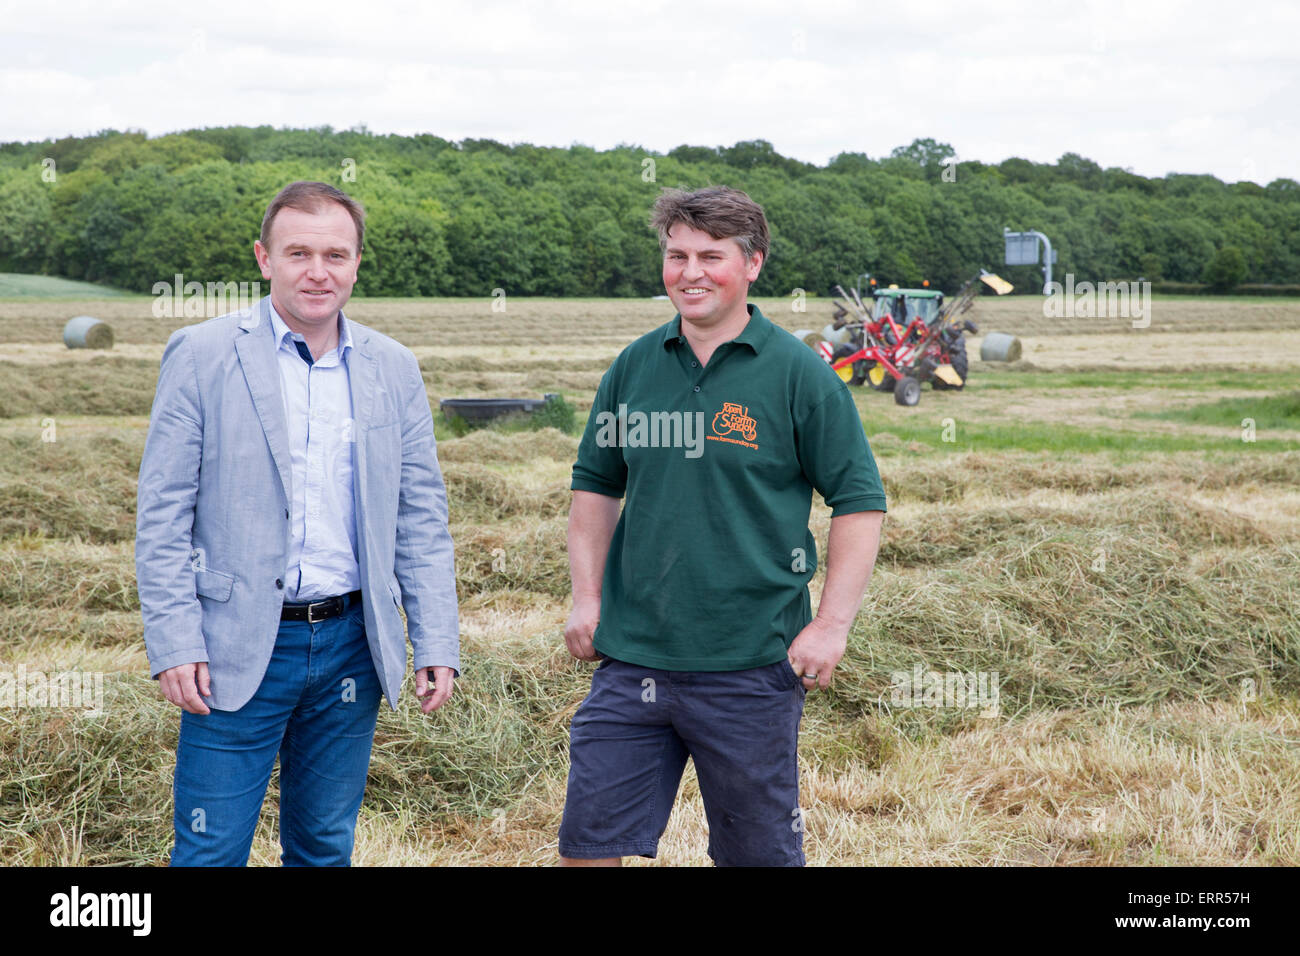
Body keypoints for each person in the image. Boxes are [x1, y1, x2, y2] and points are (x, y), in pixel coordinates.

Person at [559, 186, 887, 866]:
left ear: (754, 264)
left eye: (711, 255)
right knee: (588, 847)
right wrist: (586, 597)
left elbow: (859, 500)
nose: (690, 272)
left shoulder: (799, 375)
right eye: (676, 255)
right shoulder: (635, 367)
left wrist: (831, 625)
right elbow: (595, 485)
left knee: (757, 858)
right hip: (632, 659)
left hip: (751, 667)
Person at [135, 181, 459, 866]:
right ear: (264, 258)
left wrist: (436, 640)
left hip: (349, 646)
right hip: (233, 648)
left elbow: (420, 518)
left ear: (357, 264)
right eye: (299, 253)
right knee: (210, 851)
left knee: (321, 848)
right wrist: (173, 640)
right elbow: (163, 514)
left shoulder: (393, 368)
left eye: (336, 255)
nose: (319, 271)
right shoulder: (202, 353)